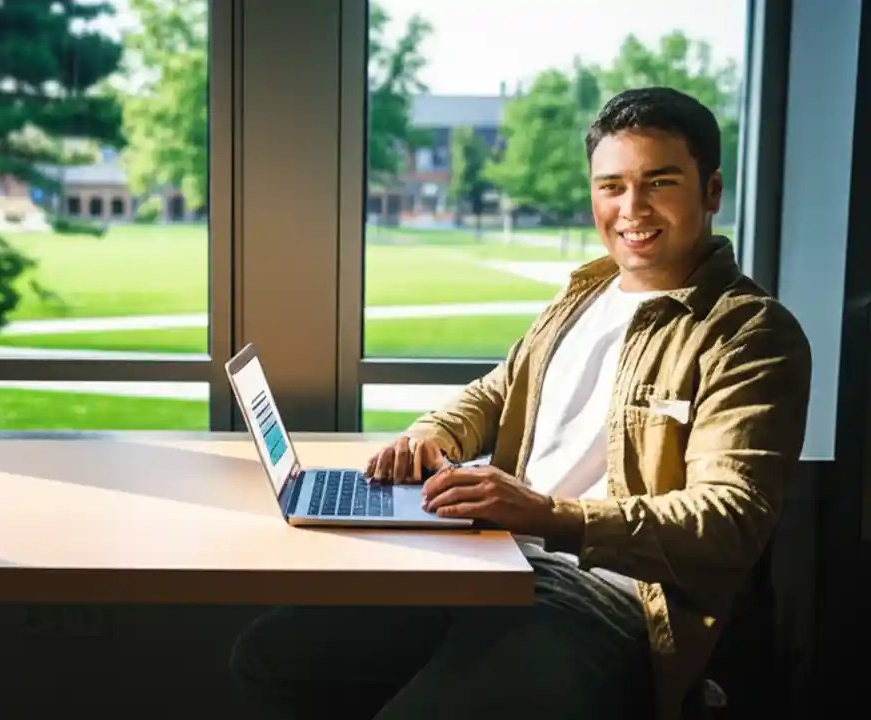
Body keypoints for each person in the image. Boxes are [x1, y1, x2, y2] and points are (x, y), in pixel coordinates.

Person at [228, 86, 813, 720]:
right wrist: (434, 436)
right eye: (611, 186)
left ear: (713, 191)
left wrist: (552, 514)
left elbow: (727, 520)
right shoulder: (584, 295)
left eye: (660, 183)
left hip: (608, 597)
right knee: (271, 656)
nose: (631, 208)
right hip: (492, 558)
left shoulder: (751, 335)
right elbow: (500, 389)